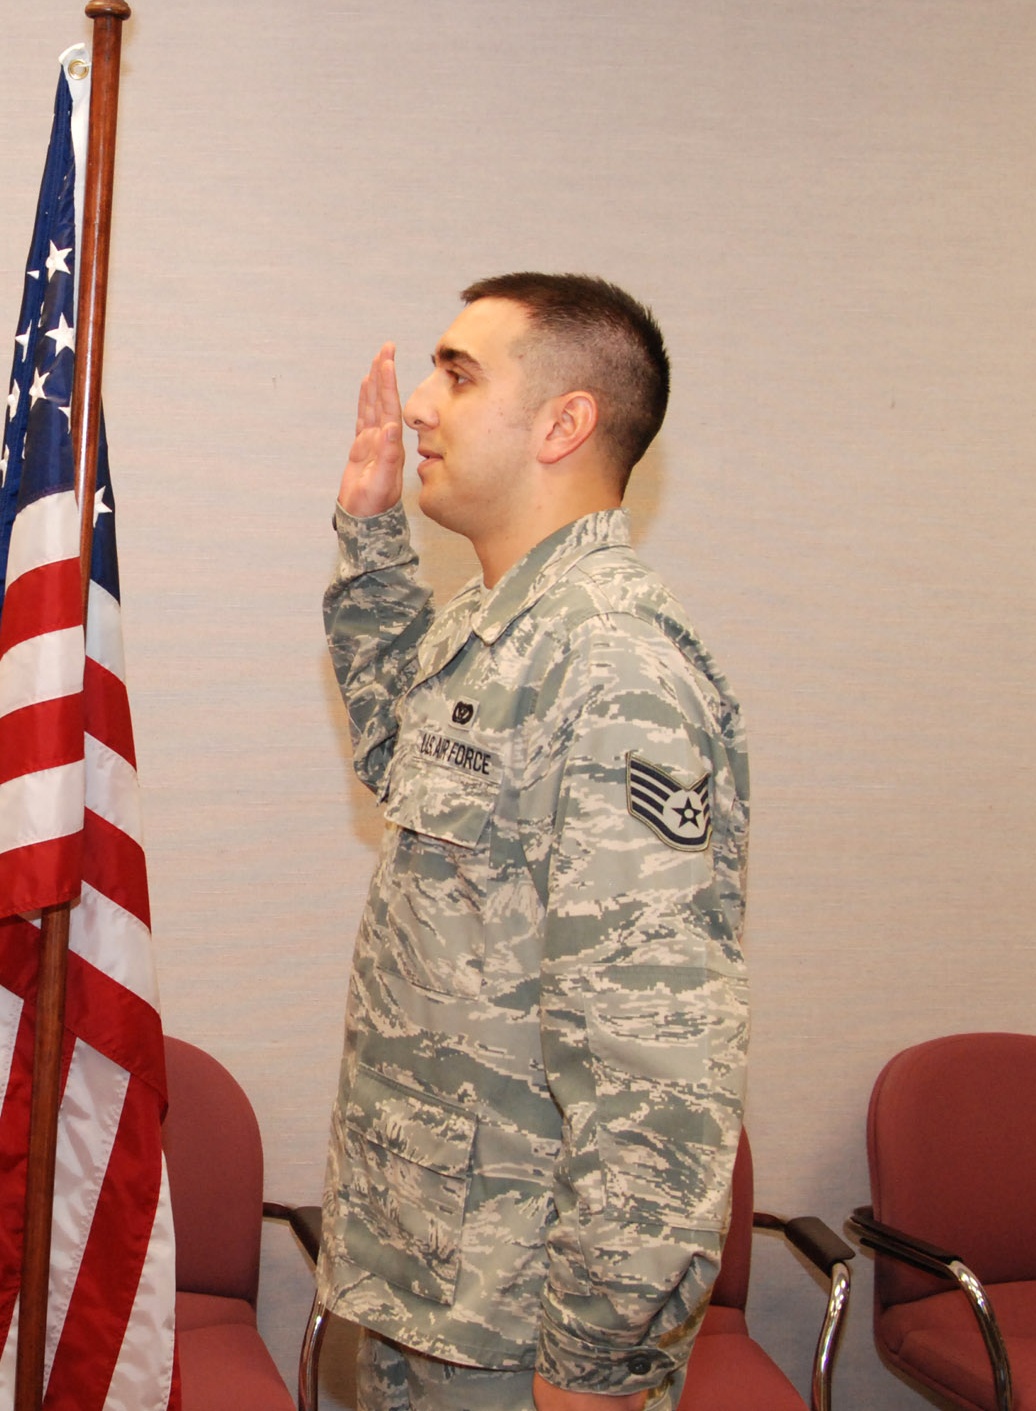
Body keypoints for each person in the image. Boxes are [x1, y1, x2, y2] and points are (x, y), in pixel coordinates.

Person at [316, 274, 748, 1411]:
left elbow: (656, 1062)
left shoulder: (618, 666)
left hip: (525, 1335)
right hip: (427, 1283)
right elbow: (392, 756)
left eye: (459, 374)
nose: (418, 405)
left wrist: (598, 1367)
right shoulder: (495, 624)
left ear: (565, 424)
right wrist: (370, 536)